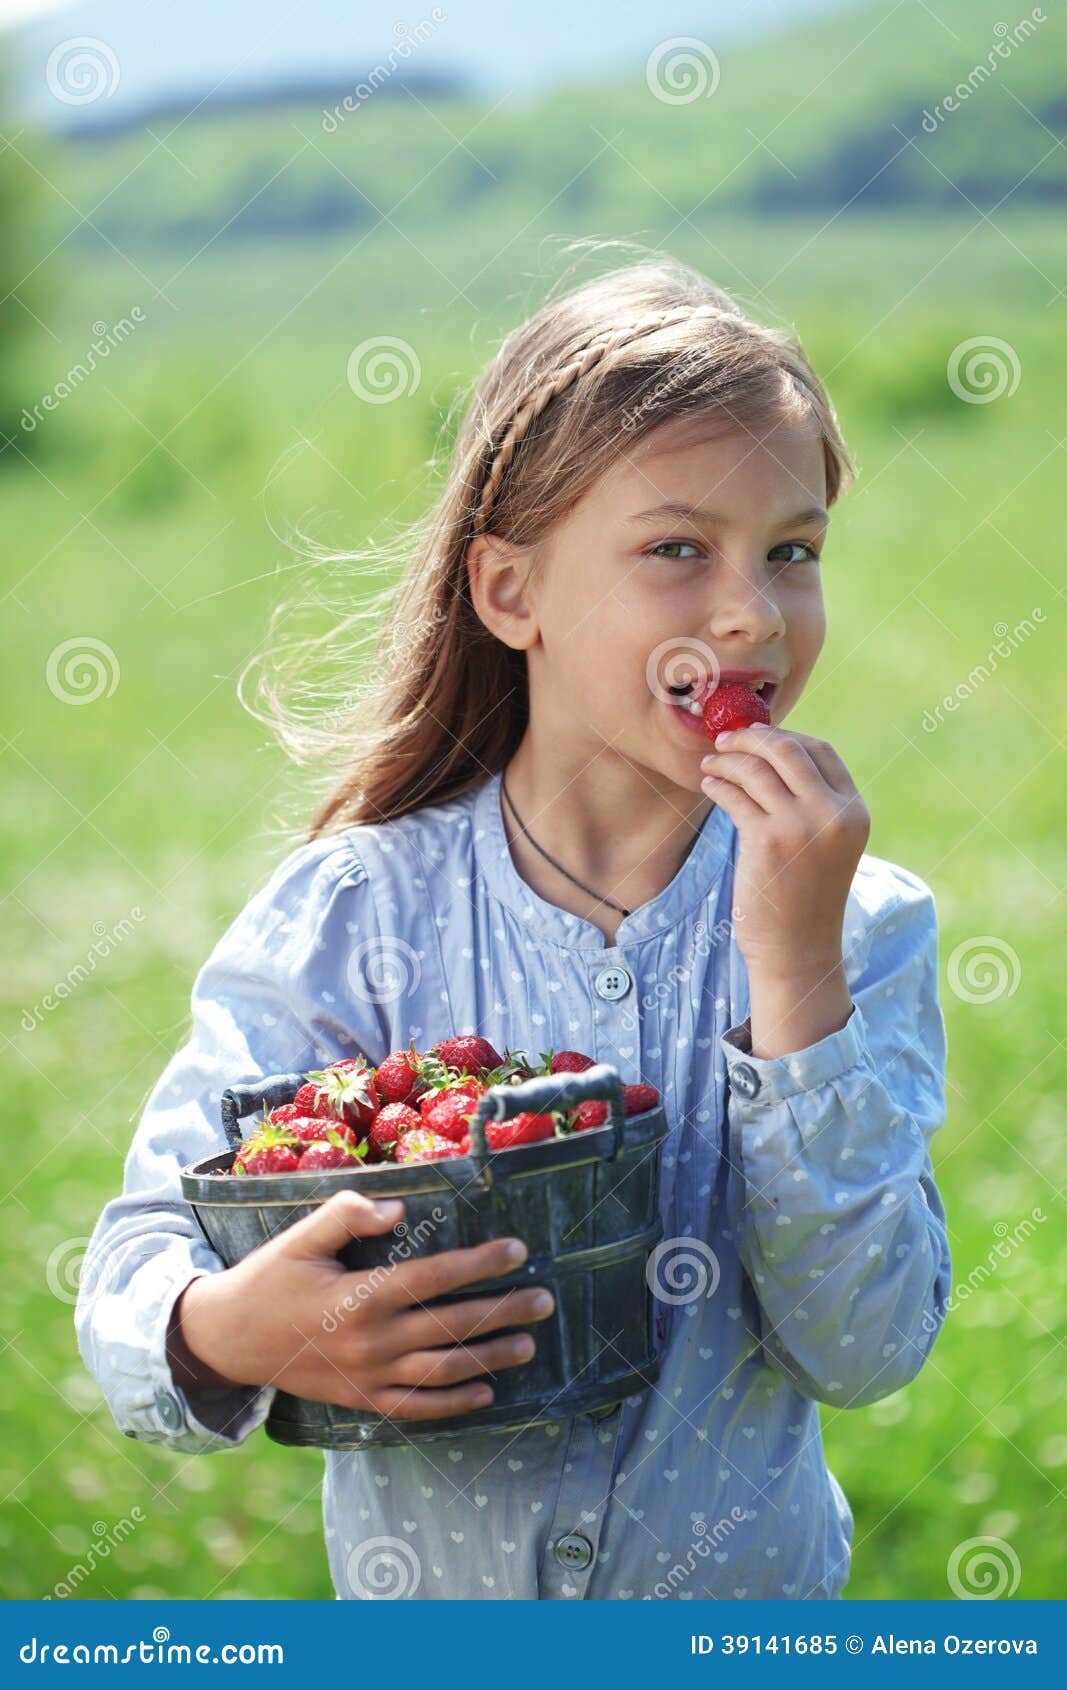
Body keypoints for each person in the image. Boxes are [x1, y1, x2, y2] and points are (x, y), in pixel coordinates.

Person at [76, 256, 951, 1601]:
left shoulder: (860, 926)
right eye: (678, 549)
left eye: (794, 549)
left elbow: (867, 1342)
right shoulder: (356, 915)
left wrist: (793, 974)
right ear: (510, 593)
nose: (753, 610)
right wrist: (237, 1329)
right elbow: (138, 1267)